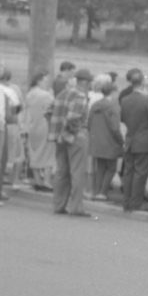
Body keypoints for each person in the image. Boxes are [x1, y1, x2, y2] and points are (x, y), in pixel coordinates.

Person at [48, 68, 95, 218]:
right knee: (77, 173)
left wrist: (57, 131)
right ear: (85, 82)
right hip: (75, 136)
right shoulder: (81, 95)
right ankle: (76, 207)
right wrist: (70, 133)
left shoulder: (63, 93)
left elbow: (49, 111)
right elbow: (73, 117)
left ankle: (59, 205)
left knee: (62, 172)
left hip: (59, 137)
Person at [120, 71, 148, 213]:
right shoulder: (147, 100)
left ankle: (126, 201)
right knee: (140, 173)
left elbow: (123, 118)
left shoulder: (125, 100)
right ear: (142, 83)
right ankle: (135, 202)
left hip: (130, 139)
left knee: (128, 172)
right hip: (143, 139)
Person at [87, 81, 123, 201]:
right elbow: (115, 127)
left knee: (100, 167)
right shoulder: (114, 107)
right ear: (113, 92)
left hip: (96, 141)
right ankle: (103, 192)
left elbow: (89, 123)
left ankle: (97, 191)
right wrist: (121, 140)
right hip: (110, 142)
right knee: (111, 168)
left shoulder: (95, 105)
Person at [22, 72, 55, 191]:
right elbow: (53, 108)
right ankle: (46, 181)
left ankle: (37, 180)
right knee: (48, 153)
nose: (47, 83)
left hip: (32, 125)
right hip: (45, 125)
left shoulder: (29, 94)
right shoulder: (46, 95)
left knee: (34, 152)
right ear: (39, 81)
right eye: (45, 80)